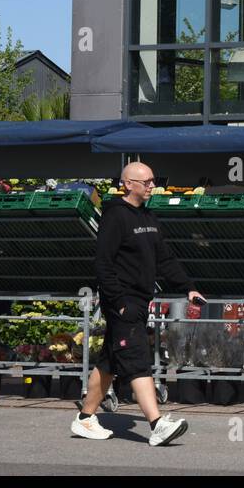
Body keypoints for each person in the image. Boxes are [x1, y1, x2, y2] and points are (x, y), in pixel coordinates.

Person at [71, 162, 205, 445]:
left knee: (109, 361)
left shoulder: (149, 217)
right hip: (123, 302)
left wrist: (188, 288)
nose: (151, 186)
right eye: (146, 182)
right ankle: (157, 425)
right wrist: (119, 302)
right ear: (128, 184)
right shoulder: (115, 217)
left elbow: (165, 259)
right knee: (136, 359)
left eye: (153, 181)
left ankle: (84, 419)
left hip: (140, 300)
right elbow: (103, 264)